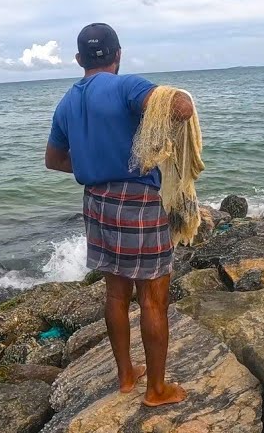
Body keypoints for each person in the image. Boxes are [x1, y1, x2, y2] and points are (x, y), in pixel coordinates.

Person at [45, 23, 192, 407]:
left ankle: (126, 375)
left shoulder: (66, 102)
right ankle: (156, 391)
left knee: (115, 293)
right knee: (153, 298)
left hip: (95, 201)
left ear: (79, 60)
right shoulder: (126, 86)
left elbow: (54, 160)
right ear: (118, 54)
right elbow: (181, 108)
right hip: (137, 201)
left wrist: (94, 162)